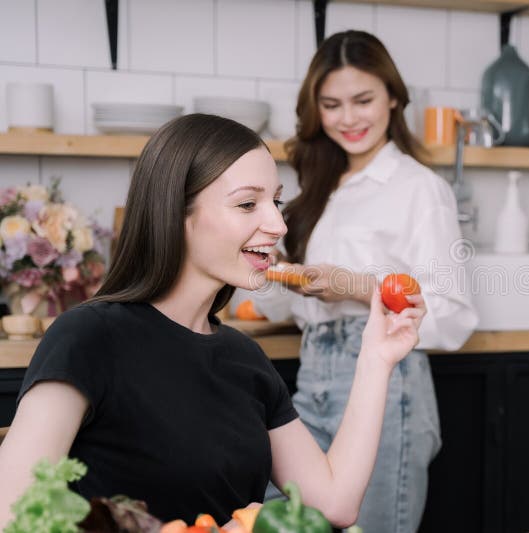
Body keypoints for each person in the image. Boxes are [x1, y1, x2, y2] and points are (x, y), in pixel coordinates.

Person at [0, 113, 427, 529]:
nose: (277, 224)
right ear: (176, 215)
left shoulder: (246, 360)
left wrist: (377, 358)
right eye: (247, 204)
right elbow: (12, 514)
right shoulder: (87, 338)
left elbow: (335, 503)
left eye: (275, 202)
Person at [236, 30, 478, 532]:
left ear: (393, 96)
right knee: (271, 519)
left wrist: (355, 286)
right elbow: (289, 308)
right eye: (331, 104)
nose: (348, 118)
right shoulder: (318, 190)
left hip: (387, 386)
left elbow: (452, 317)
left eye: (363, 100)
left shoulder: (418, 189)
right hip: (314, 376)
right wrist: (275, 271)